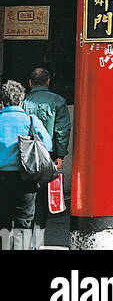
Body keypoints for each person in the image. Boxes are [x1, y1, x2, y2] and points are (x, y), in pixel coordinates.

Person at [0, 79, 52, 250]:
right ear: (21, 100)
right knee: (24, 220)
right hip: (26, 177)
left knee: (3, 220)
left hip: (2, 178)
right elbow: (47, 144)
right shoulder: (31, 120)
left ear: (2, 102)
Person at [22, 67, 70, 250]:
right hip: (47, 155)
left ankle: (25, 239)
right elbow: (62, 131)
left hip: (26, 154)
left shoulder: (23, 101)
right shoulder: (58, 101)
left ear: (30, 83)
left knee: (27, 195)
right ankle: (38, 238)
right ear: (48, 81)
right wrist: (60, 155)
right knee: (43, 198)